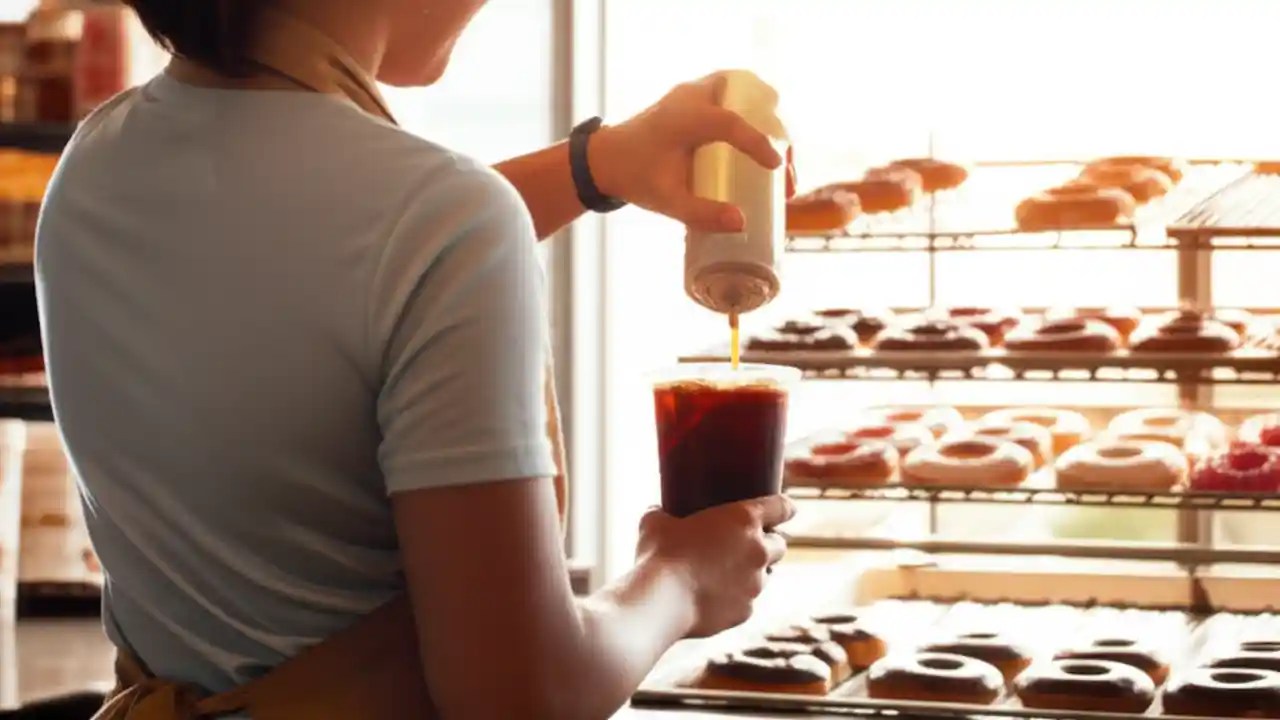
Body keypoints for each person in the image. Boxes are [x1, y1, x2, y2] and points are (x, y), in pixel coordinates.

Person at [36, 1, 795, 718]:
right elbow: (519, 692)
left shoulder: (98, 159)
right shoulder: (439, 220)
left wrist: (594, 166)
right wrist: (682, 579)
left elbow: (333, 265)